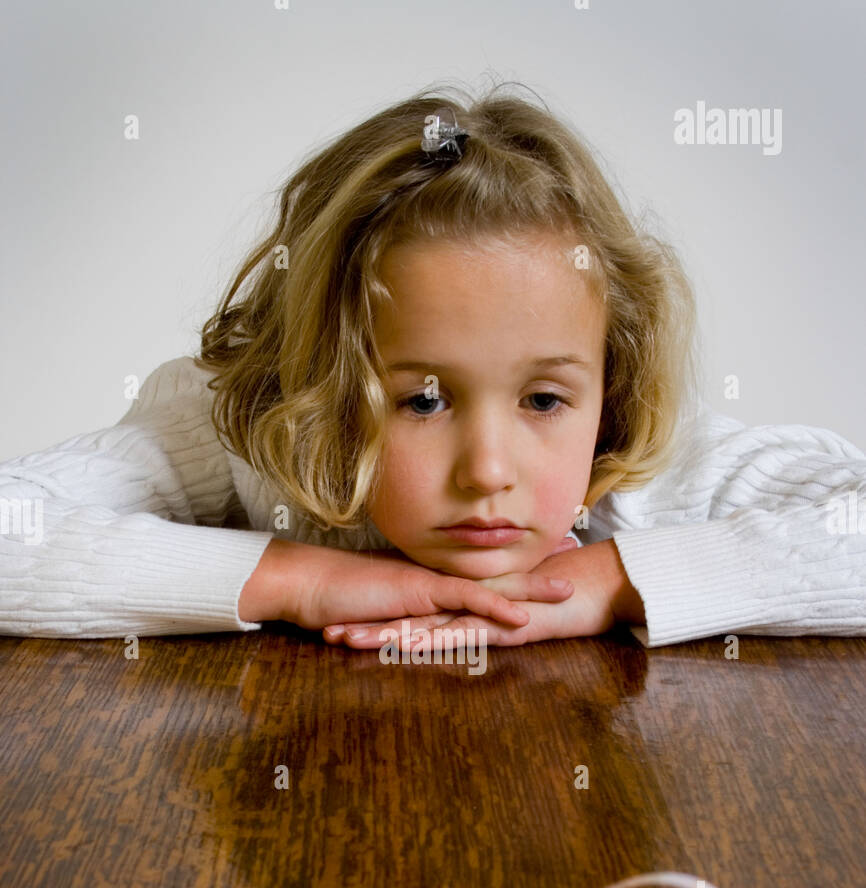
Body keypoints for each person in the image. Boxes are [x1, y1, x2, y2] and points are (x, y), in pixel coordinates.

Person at [2, 84, 864, 648]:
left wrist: (616, 581)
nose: (487, 471)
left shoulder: (646, 465)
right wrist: (298, 579)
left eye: (544, 400)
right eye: (421, 400)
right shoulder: (237, 429)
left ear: (612, 386)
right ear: (313, 384)